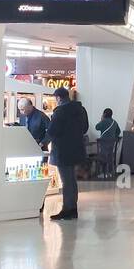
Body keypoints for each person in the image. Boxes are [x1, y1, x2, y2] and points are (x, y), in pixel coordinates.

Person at [47, 86, 89, 221]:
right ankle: (72, 208)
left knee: (66, 181)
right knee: (71, 180)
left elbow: (52, 131)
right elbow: (85, 128)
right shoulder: (81, 110)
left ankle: (68, 210)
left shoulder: (60, 112)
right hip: (76, 149)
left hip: (62, 151)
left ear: (58, 98)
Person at [94, 108, 120, 177]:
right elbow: (118, 131)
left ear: (104, 114)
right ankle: (111, 172)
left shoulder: (104, 121)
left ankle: (103, 172)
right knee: (110, 157)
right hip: (111, 144)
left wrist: (101, 119)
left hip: (103, 144)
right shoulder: (114, 122)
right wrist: (114, 137)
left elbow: (96, 127)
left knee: (102, 156)